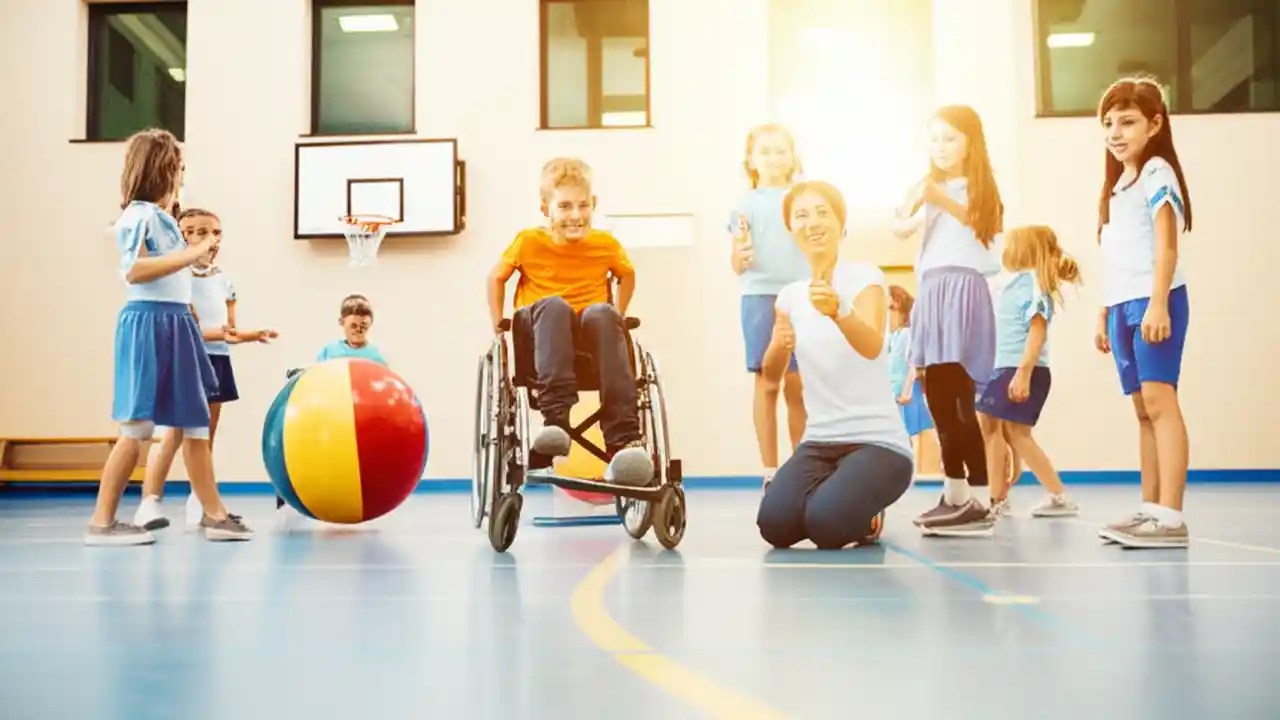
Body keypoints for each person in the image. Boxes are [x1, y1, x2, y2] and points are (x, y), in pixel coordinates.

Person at [85, 129, 252, 545]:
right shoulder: (139, 215)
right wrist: (194, 252)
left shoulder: (163, 218)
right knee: (138, 428)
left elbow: (175, 279)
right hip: (150, 324)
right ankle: (101, 523)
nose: (181, 175)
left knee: (195, 424)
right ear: (162, 170)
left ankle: (213, 516)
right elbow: (135, 271)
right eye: (177, 168)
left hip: (178, 324)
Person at [756, 181, 914, 550]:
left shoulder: (866, 278)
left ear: (841, 224)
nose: (813, 222)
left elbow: (874, 346)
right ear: (791, 231)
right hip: (820, 441)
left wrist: (839, 312)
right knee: (774, 527)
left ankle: (868, 515)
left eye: (822, 212)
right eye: (802, 215)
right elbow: (771, 377)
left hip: (879, 443)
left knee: (825, 526)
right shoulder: (790, 297)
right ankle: (839, 498)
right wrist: (780, 340)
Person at [487, 157, 653, 487]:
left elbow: (628, 274)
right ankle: (556, 422)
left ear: (594, 205)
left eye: (582, 206)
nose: (575, 215)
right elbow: (496, 278)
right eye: (564, 206)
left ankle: (623, 440)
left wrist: (619, 312)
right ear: (545, 208)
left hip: (590, 342)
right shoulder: (528, 241)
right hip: (539, 339)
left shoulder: (606, 244)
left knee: (603, 314)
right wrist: (498, 326)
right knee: (555, 307)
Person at [892, 105, 1004, 537]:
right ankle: (954, 492)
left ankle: (979, 496)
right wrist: (910, 204)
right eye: (934, 139)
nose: (940, 148)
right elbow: (901, 228)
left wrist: (940, 199)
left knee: (959, 399)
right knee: (936, 396)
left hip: (963, 290)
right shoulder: (934, 191)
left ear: (971, 143)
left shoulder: (981, 190)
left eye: (950, 138)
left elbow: (979, 226)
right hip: (933, 290)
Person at [132, 208, 278, 531]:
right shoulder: (176, 277)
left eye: (210, 231)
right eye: (193, 231)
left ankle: (201, 502)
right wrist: (219, 334)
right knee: (171, 434)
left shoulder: (225, 280)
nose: (202, 237)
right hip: (185, 356)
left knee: (205, 437)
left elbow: (229, 329)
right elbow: (183, 326)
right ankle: (149, 501)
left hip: (217, 360)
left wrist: (253, 335)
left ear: (219, 238)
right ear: (181, 237)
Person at [1094, 77, 1193, 548]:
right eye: (1109, 123)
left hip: (1156, 299)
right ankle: (1150, 508)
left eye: (1127, 122)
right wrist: (1104, 312)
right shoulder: (1117, 188)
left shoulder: (1157, 171)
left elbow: (1165, 245)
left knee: (1160, 402)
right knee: (1141, 410)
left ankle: (1170, 517)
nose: (1115, 132)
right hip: (1123, 303)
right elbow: (1118, 258)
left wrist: (1157, 302)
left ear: (1155, 124)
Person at [976, 225, 1081, 518]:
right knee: (996, 428)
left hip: (1021, 368)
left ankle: (1053, 496)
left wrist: (1023, 372)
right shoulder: (1014, 282)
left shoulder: (1033, 284)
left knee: (1011, 432)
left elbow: (1037, 331)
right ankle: (1001, 497)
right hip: (1006, 367)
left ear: (1023, 249)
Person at [729, 123, 810, 490]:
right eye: (765, 151)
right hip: (760, 296)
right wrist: (740, 257)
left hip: (801, 294)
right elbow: (737, 260)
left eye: (781, 150)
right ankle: (771, 470)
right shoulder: (745, 204)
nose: (774, 158)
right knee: (767, 382)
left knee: (798, 385)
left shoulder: (805, 197)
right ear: (751, 160)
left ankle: (804, 467)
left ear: (792, 156)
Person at [276, 293, 386, 528]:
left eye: (363, 326)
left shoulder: (375, 356)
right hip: (332, 417)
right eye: (353, 325)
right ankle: (289, 493)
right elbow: (316, 378)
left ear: (370, 324)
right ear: (342, 323)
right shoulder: (330, 350)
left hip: (361, 419)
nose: (358, 330)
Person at [886, 285, 935, 445]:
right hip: (894, 391)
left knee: (909, 433)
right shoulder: (894, 335)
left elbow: (913, 363)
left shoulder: (907, 334)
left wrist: (906, 391)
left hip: (905, 390)